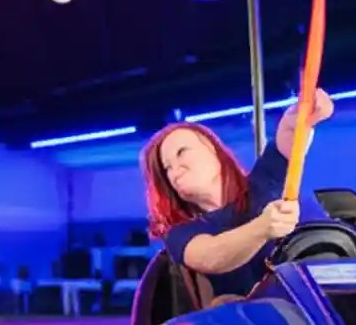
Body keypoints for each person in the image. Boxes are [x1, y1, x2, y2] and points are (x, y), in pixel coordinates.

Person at [140, 90, 334, 301]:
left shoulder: (266, 177)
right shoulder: (181, 232)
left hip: (342, 276)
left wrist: (307, 108)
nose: (176, 169)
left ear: (213, 149)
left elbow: (291, 129)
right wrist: (263, 227)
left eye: (182, 152)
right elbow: (210, 256)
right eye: (167, 168)